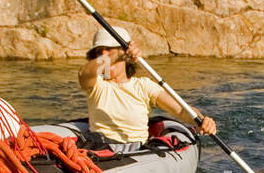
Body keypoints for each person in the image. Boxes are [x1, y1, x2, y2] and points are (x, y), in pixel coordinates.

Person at [78, 26, 217, 153]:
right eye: (98, 52)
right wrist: (116, 55)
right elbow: (84, 73)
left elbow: (180, 110)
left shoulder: (143, 86)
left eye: (109, 49)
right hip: (98, 147)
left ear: (125, 53)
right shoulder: (97, 84)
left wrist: (201, 120)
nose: (103, 54)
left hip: (134, 151)